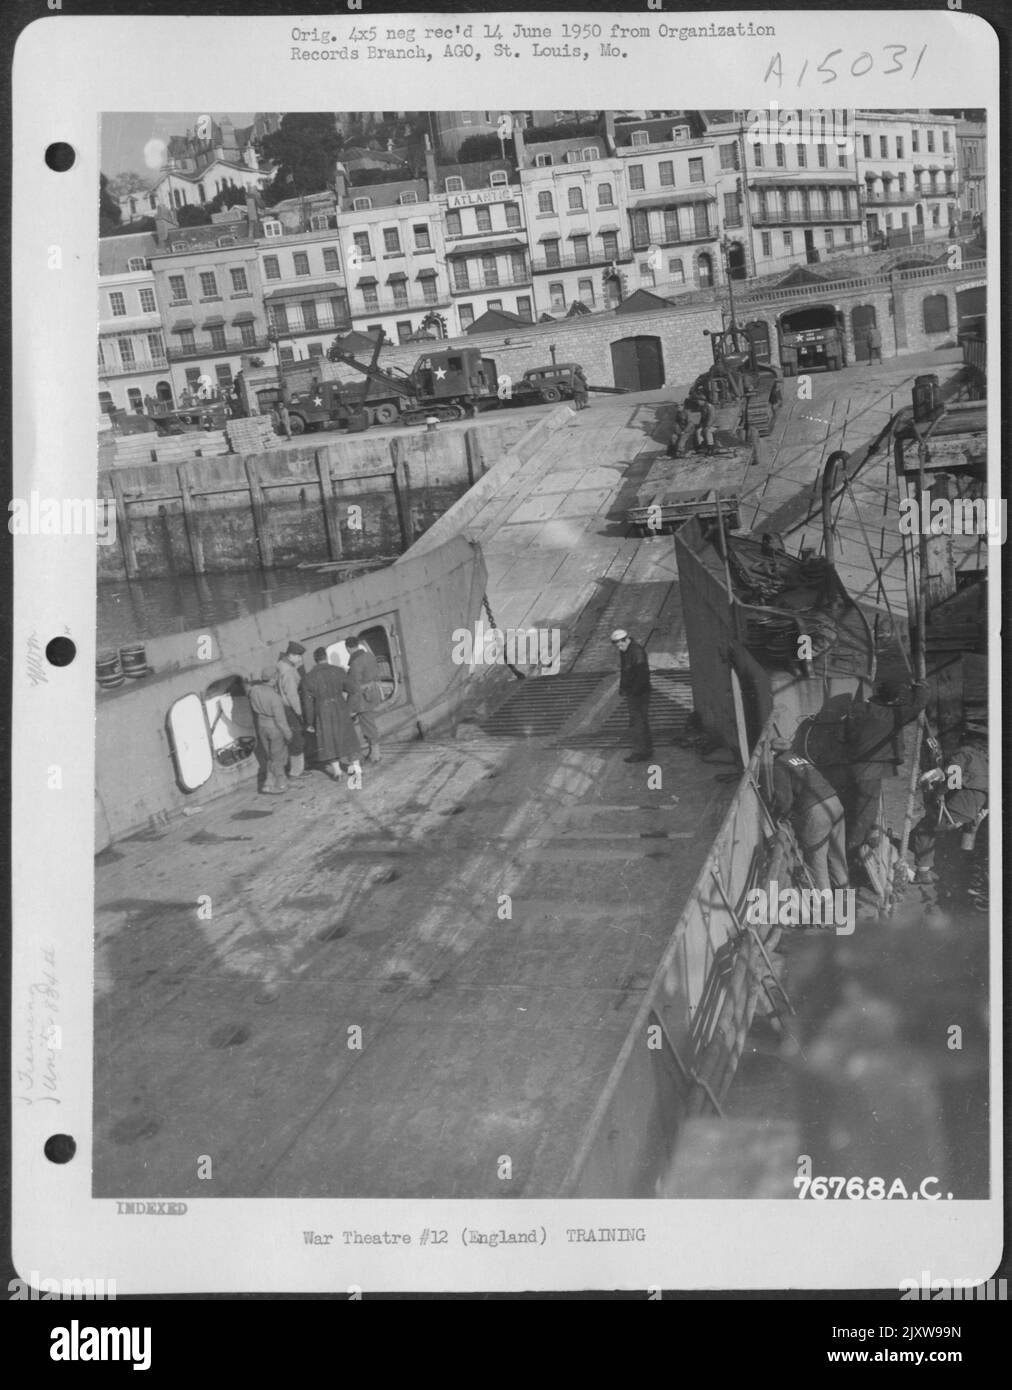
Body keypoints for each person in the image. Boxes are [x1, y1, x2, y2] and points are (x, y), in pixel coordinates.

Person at [844, 677, 927, 857]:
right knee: (865, 813)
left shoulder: (860, 708)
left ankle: (866, 838)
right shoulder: (893, 715)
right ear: (895, 700)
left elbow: (847, 734)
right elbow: (917, 706)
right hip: (870, 770)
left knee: (859, 808)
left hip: (855, 766)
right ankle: (851, 856)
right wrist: (920, 688)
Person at [770, 737, 849, 893]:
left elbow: (784, 798)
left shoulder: (779, 764)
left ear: (773, 752)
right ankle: (846, 906)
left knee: (817, 861)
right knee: (838, 856)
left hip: (816, 811)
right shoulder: (800, 759)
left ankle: (826, 909)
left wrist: (782, 816)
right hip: (835, 803)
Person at [911, 731, 988, 884]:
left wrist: (939, 793)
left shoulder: (963, 754)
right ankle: (960, 867)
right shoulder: (984, 760)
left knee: (924, 830)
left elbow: (954, 780)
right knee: (932, 828)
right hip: (974, 807)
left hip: (961, 804)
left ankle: (922, 872)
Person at [301, 647, 363, 782]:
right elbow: (353, 689)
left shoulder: (308, 678)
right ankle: (356, 770)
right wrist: (349, 708)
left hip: (322, 711)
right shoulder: (338, 671)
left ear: (315, 660)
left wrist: (310, 723)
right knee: (349, 739)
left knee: (328, 742)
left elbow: (308, 704)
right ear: (326, 657)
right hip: (340, 707)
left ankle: (338, 773)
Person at [248, 665, 291, 795]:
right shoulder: (274, 697)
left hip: (261, 726)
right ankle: (280, 784)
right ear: (273, 679)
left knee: (270, 756)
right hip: (274, 727)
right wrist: (288, 734)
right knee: (277, 757)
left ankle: (268, 783)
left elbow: (248, 689)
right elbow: (281, 720)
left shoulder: (254, 690)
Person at [611, 629, 652, 763]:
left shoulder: (636, 652)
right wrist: (623, 687)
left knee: (637, 723)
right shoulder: (626, 650)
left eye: (620, 644)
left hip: (639, 693)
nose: (619, 647)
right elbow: (625, 671)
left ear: (625, 639)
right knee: (640, 722)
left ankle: (640, 752)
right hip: (634, 691)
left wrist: (634, 691)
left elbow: (642, 675)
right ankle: (646, 750)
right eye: (617, 645)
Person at [345, 634, 383, 763]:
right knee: (369, 722)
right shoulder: (369, 656)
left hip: (362, 698)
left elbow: (354, 688)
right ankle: (374, 752)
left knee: (368, 725)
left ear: (348, 648)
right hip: (373, 693)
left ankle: (376, 754)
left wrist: (350, 709)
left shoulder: (355, 663)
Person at [275, 640, 307, 779]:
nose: (300, 659)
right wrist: (299, 713)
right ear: (291, 655)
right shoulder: (287, 670)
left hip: (283, 708)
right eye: (298, 656)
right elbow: (292, 695)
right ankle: (296, 772)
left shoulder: (280, 664)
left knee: (294, 739)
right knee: (297, 740)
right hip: (290, 709)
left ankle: (297, 769)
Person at [693, 389, 716, 454]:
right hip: (706, 424)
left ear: (702, 401)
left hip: (713, 425)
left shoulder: (709, 406)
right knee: (698, 431)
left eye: (698, 401)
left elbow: (712, 417)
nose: (697, 402)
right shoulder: (702, 407)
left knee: (707, 431)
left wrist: (707, 426)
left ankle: (710, 448)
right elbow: (703, 418)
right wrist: (700, 425)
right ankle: (701, 447)